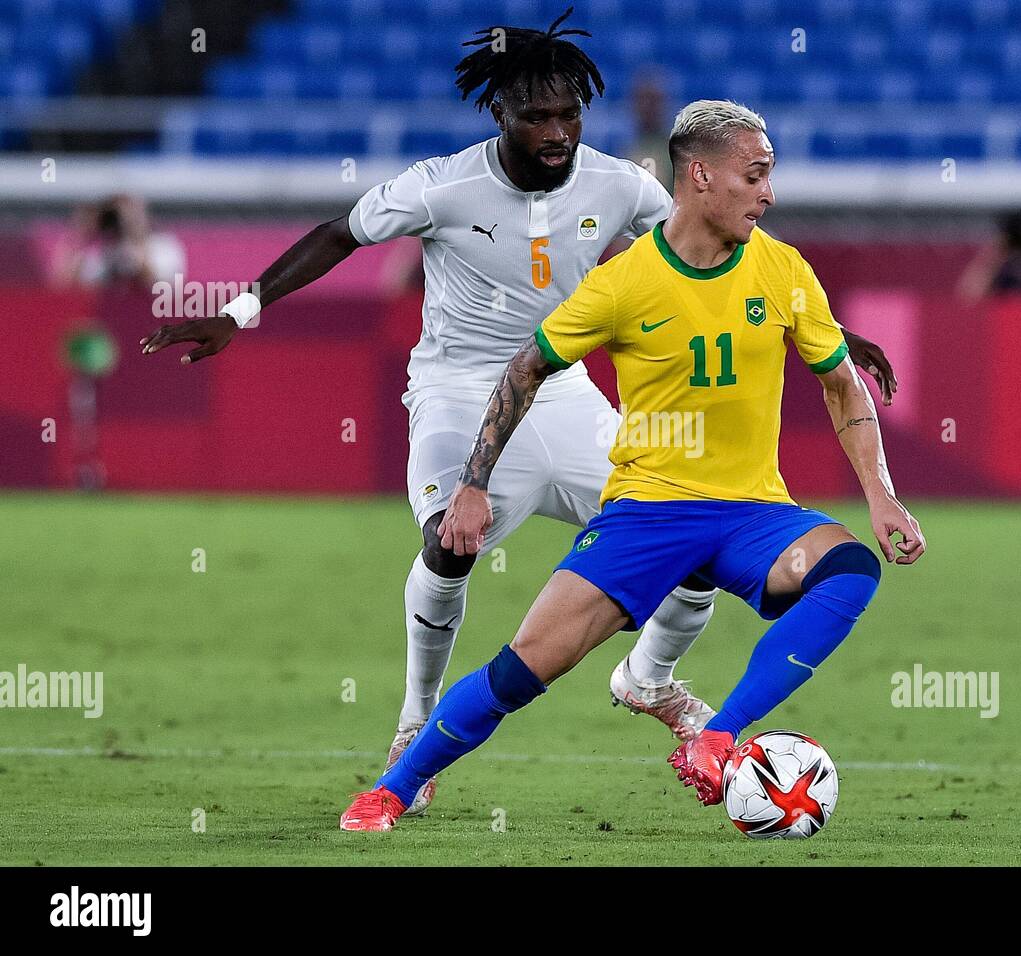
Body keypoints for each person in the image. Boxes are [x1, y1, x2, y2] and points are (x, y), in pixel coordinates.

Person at [139, 10, 900, 819]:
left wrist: (833, 335)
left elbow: (725, 262)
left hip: (567, 393)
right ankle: (413, 729)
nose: (557, 129)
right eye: (537, 114)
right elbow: (338, 234)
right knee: (450, 542)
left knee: (688, 517)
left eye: (570, 112)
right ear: (499, 113)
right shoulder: (443, 184)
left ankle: (647, 679)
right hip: (460, 386)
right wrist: (239, 311)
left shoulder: (619, 184)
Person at [341, 99, 925, 832]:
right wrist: (472, 484)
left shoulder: (784, 269)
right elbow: (524, 370)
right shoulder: (624, 283)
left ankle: (716, 736)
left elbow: (842, 384)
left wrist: (882, 495)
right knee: (521, 671)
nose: (769, 194)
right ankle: (392, 789)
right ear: (702, 176)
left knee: (850, 570)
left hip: (754, 514)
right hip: (647, 514)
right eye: (756, 176)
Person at [52, 194, 186, 292]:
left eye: (131, 214)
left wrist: (135, 237)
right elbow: (65, 290)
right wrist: (82, 237)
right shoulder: (101, 250)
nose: (121, 222)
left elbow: (164, 290)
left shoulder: (164, 245)